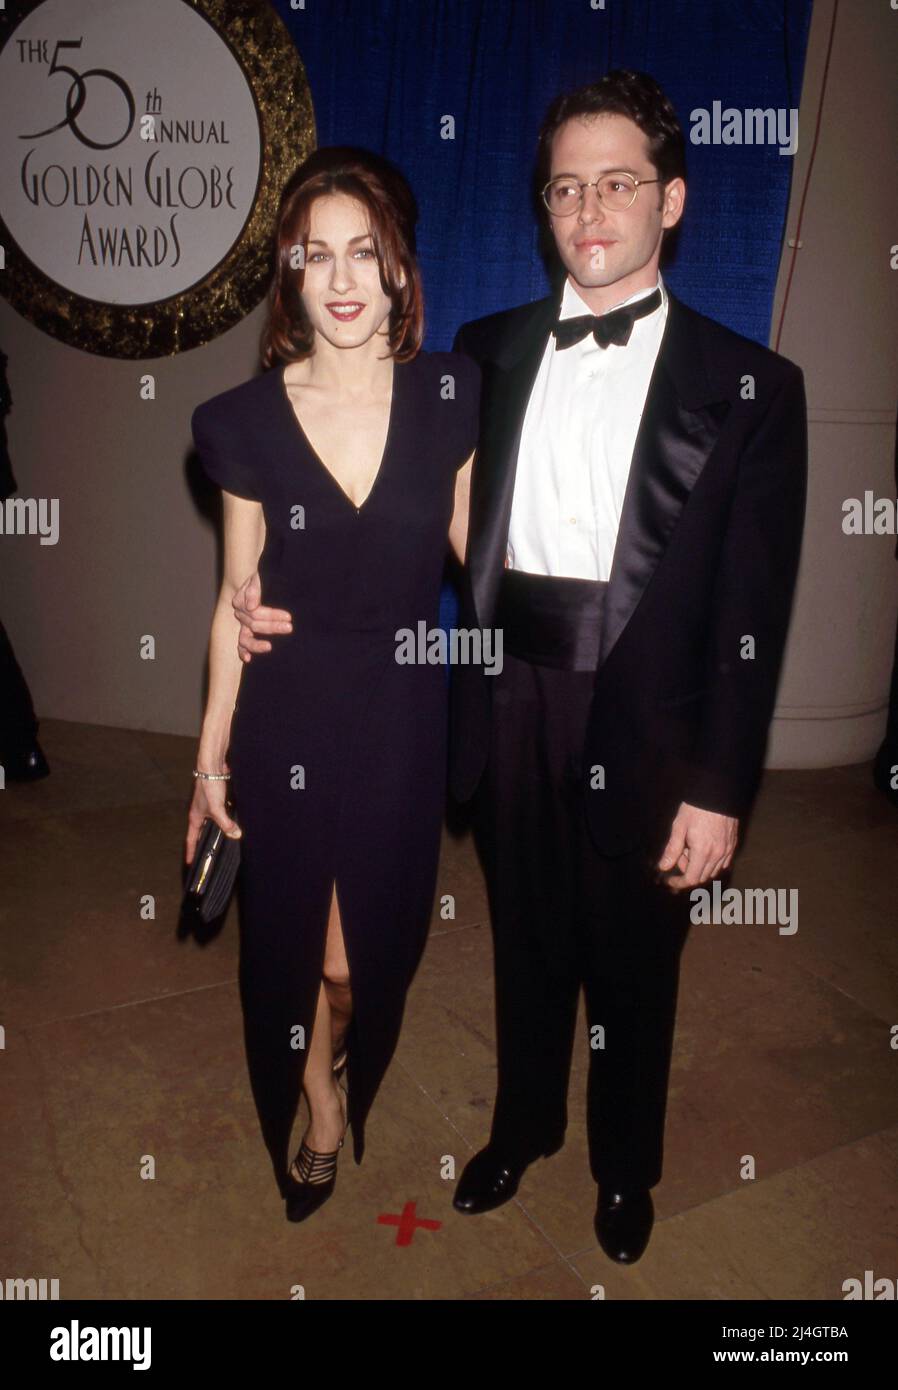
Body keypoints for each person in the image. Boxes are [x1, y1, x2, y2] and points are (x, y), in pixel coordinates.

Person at [232, 70, 807, 1264]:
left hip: (651, 718)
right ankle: (523, 1128)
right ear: (542, 207)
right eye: (564, 188)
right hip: (505, 698)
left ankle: (623, 1172)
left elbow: (752, 612)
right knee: (526, 943)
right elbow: (358, 481)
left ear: (674, 200)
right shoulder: (478, 355)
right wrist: (256, 597)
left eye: (617, 183)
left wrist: (720, 786)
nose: (588, 209)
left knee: (635, 965)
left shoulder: (756, 387)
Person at [187, 147, 480, 1223]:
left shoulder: (449, 400)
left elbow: (486, 560)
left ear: (397, 270)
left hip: (402, 717)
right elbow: (235, 602)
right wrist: (208, 756)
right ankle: (314, 1101)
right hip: (288, 715)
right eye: (319, 256)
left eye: (366, 252)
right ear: (291, 274)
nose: (344, 278)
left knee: (362, 969)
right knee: (297, 945)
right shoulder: (243, 422)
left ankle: (339, 1046)